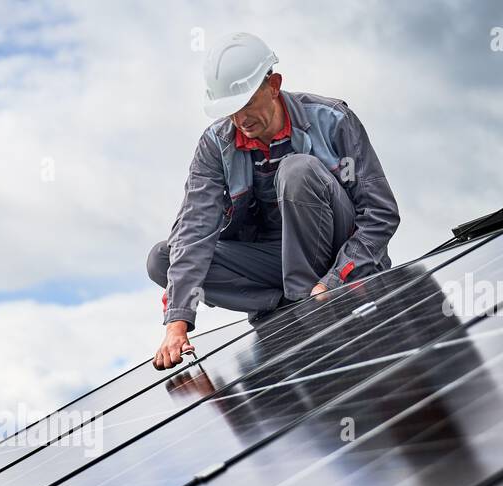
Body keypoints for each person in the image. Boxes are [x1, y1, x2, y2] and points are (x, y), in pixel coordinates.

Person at [148, 31, 400, 370]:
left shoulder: (333, 120)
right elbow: (194, 228)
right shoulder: (216, 145)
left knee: (297, 171)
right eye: (231, 110)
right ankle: (282, 306)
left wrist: (336, 280)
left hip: (336, 255)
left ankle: (307, 304)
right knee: (163, 259)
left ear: (274, 85)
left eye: (247, 103)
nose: (241, 119)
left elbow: (380, 213)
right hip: (274, 261)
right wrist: (176, 324)